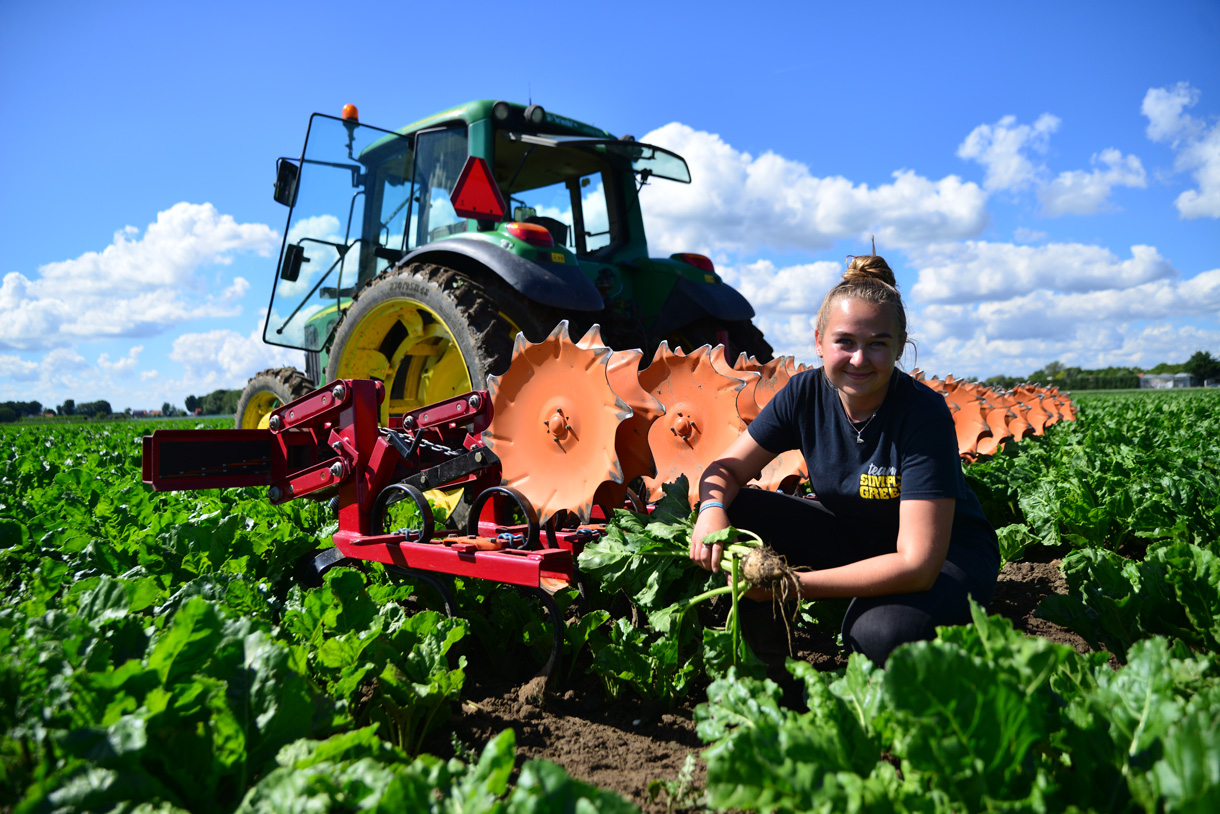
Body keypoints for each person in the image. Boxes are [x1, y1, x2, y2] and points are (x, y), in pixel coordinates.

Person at [689, 252, 999, 686]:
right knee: (735, 510)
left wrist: (793, 585)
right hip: (858, 535)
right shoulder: (804, 394)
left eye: (877, 343)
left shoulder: (921, 414)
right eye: (845, 342)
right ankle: (771, 677)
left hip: (945, 555)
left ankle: (957, 634)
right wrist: (712, 511)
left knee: (876, 634)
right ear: (819, 342)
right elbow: (726, 469)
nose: (859, 359)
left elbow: (917, 563)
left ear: (899, 345)